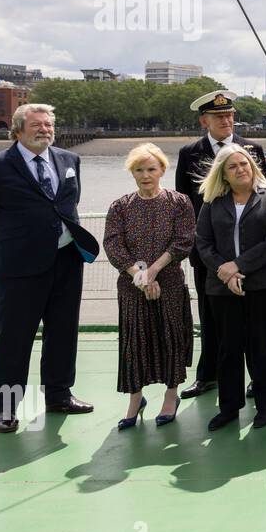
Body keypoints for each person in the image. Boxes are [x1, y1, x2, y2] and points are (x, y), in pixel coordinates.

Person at [0, 103, 100, 432]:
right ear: (18, 130)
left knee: (63, 331)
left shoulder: (70, 161)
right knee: (15, 337)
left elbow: (67, 205)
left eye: (49, 125)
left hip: (67, 260)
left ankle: (59, 394)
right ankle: (6, 408)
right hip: (18, 268)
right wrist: (4, 248)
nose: (45, 130)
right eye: (37, 125)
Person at [175, 90, 266, 400]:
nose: (226, 120)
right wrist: (197, 253)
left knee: (255, 325)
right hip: (211, 256)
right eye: (219, 117)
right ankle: (209, 375)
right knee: (212, 319)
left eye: (229, 115)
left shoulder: (251, 150)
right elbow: (185, 206)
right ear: (204, 120)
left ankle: (257, 380)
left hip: (251, 257)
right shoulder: (190, 153)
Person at [194, 144, 266, 430]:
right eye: (232, 166)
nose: (240, 169)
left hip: (264, 284)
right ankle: (229, 407)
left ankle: (265, 405)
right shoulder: (213, 201)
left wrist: (239, 266)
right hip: (222, 286)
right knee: (229, 347)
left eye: (244, 164)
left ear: (253, 166)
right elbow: (203, 242)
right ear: (223, 173)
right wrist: (226, 271)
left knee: (261, 345)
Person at [103, 143, 195, 430]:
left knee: (171, 337)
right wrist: (140, 275)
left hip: (167, 281)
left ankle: (171, 395)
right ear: (132, 172)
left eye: (151, 169)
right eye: (139, 169)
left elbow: (183, 241)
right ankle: (135, 398)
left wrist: (153, 271)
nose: (145, 175)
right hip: (133, 285)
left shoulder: (179, 202)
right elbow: (113, 244)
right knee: (135, 342)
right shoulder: (120, 206)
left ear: (162, 171)